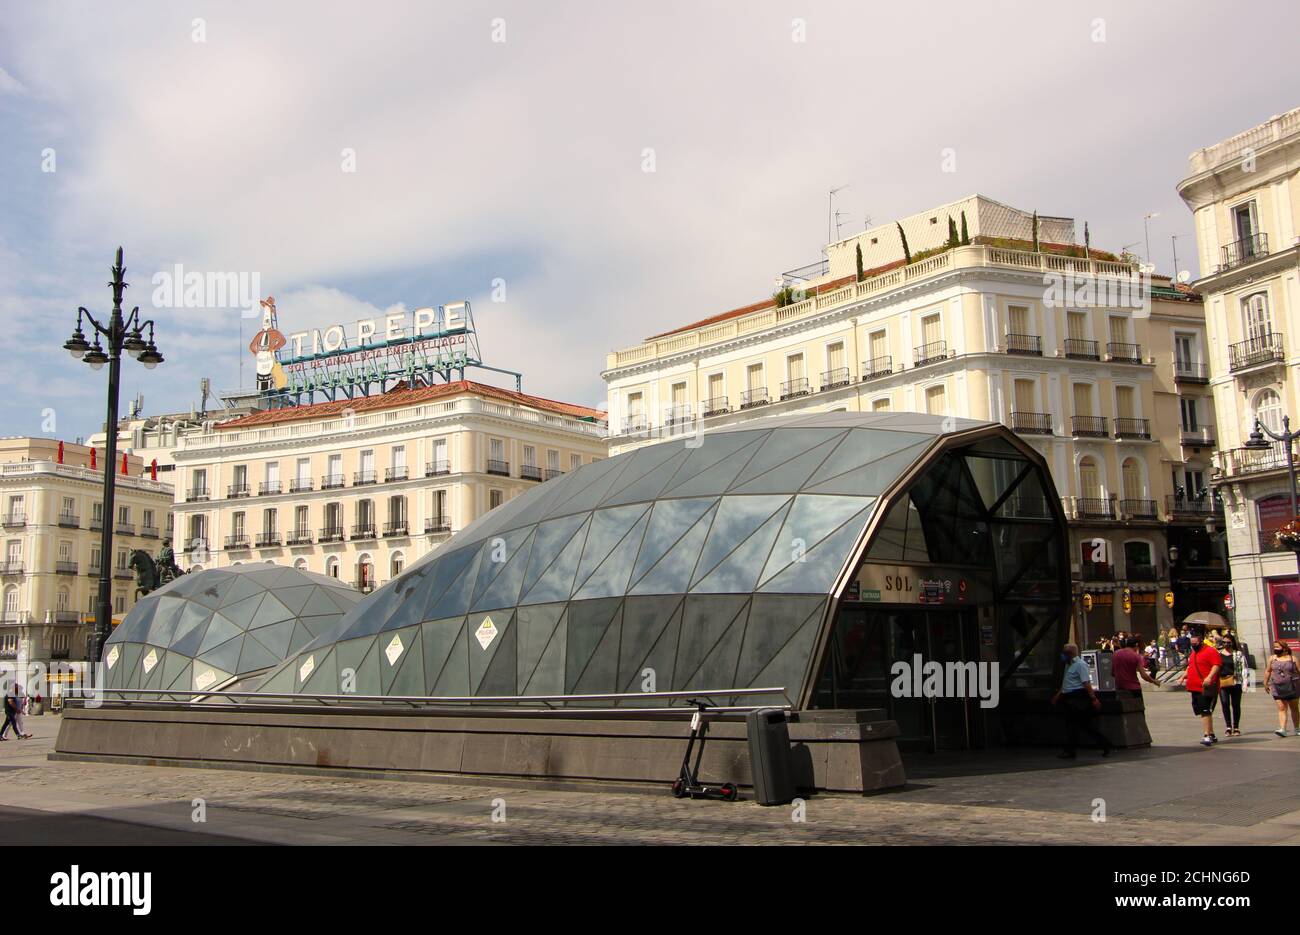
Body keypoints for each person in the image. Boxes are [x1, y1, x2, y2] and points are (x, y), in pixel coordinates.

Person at [1051, 643, 1113, 759]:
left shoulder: (1080, 665)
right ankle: (1071, 750)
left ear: (1070, 653)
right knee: (1073, 725)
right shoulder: (1068, 665)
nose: (1062, 655)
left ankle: (1104, 745)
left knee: (1083, 725)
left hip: (1078, 698)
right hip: (1068, 697)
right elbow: (1066, 682)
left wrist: (1093, 699)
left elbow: (1086, 683)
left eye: (1065, 653)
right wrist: (1058, 695)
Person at [1178, 627, 1222, 746]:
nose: (1193, 645)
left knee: (1205, 710)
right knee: (1202, 711)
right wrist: (1183, 677)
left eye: (1195, 643)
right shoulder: (1193, 653)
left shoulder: (1211, 651)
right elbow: (1191, 667)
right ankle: (1211, 733)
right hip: (1194, 687)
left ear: (1201, 641)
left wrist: (1209, 677)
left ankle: (1207, 735)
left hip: (1206, 687)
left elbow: (1216, 665)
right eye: (1192, 643)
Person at [1264, 641, 1300, 737]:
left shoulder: (1293, 658)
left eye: (1277, 647)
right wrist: (1265, 683)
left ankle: (1297, 729)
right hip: (1277, 687)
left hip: (1293, 686)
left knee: (1294, 708)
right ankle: (1283, 729)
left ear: (1284, 648)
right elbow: (1268, 671)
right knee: (1281, 708)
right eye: (1274, 646)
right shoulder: (1272, 658)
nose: (1275, 648)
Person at [1218, 633, 1245, 736]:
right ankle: (1228, 727)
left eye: (1228, 642)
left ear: (1232, 643)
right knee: (1225, 703)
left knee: (1236, 704)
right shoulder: (1218, 653)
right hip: (1222, 681)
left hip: (1235, 681)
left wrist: (1245, 683)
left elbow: (1244, 668)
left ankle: (1236, 727)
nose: (1226, 644)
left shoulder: (1238, 654)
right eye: (1224, 642)